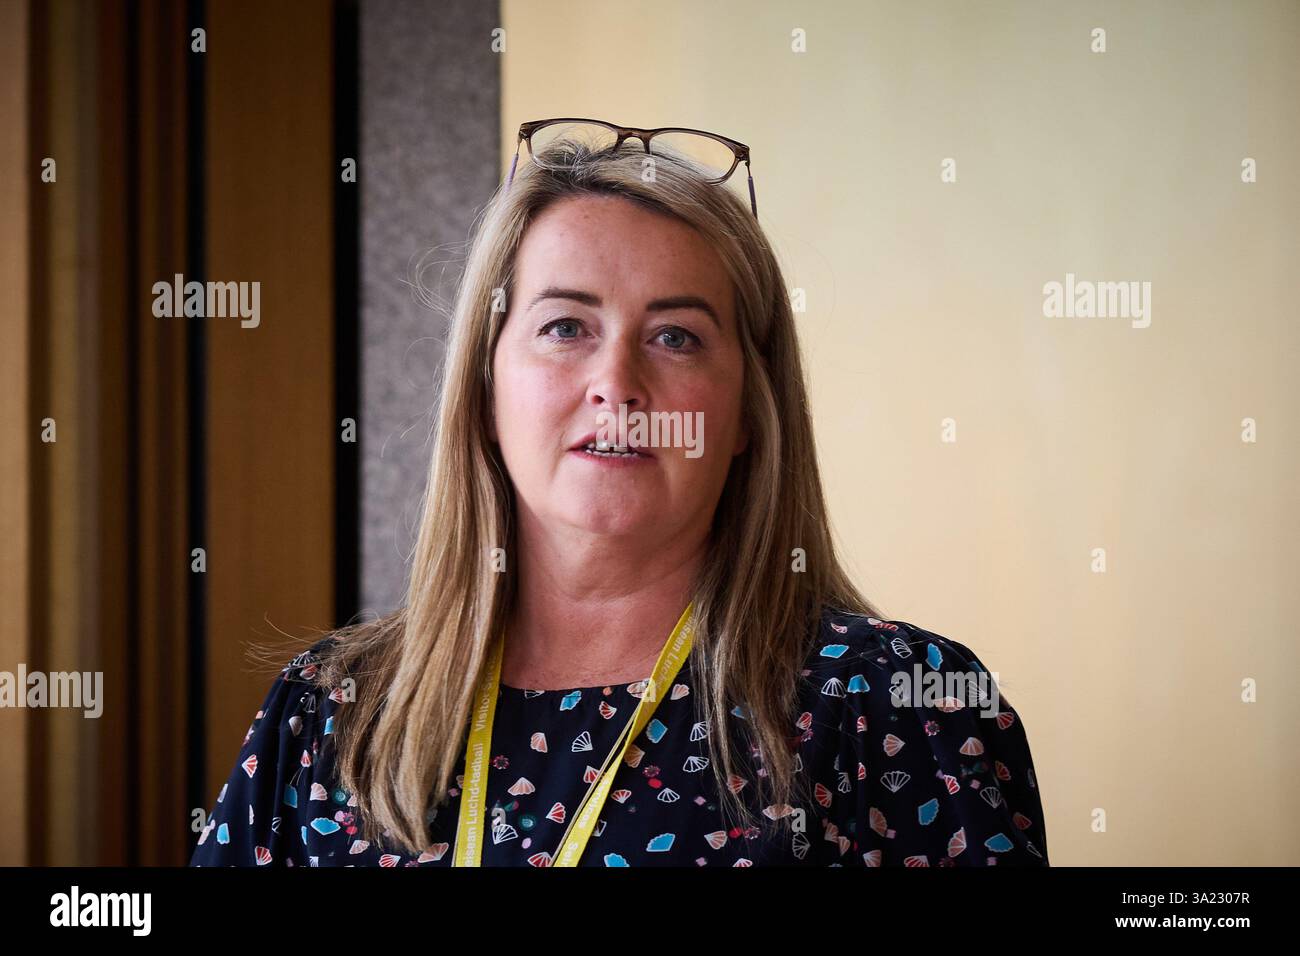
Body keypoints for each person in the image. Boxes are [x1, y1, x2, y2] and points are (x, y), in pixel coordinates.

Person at [190, 120, 1049, 867]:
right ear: (485, 391)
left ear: (750, 409)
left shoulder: (900, 705)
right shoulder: (330, 714)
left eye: (676, 336)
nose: (617, 383)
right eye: (566, 326)